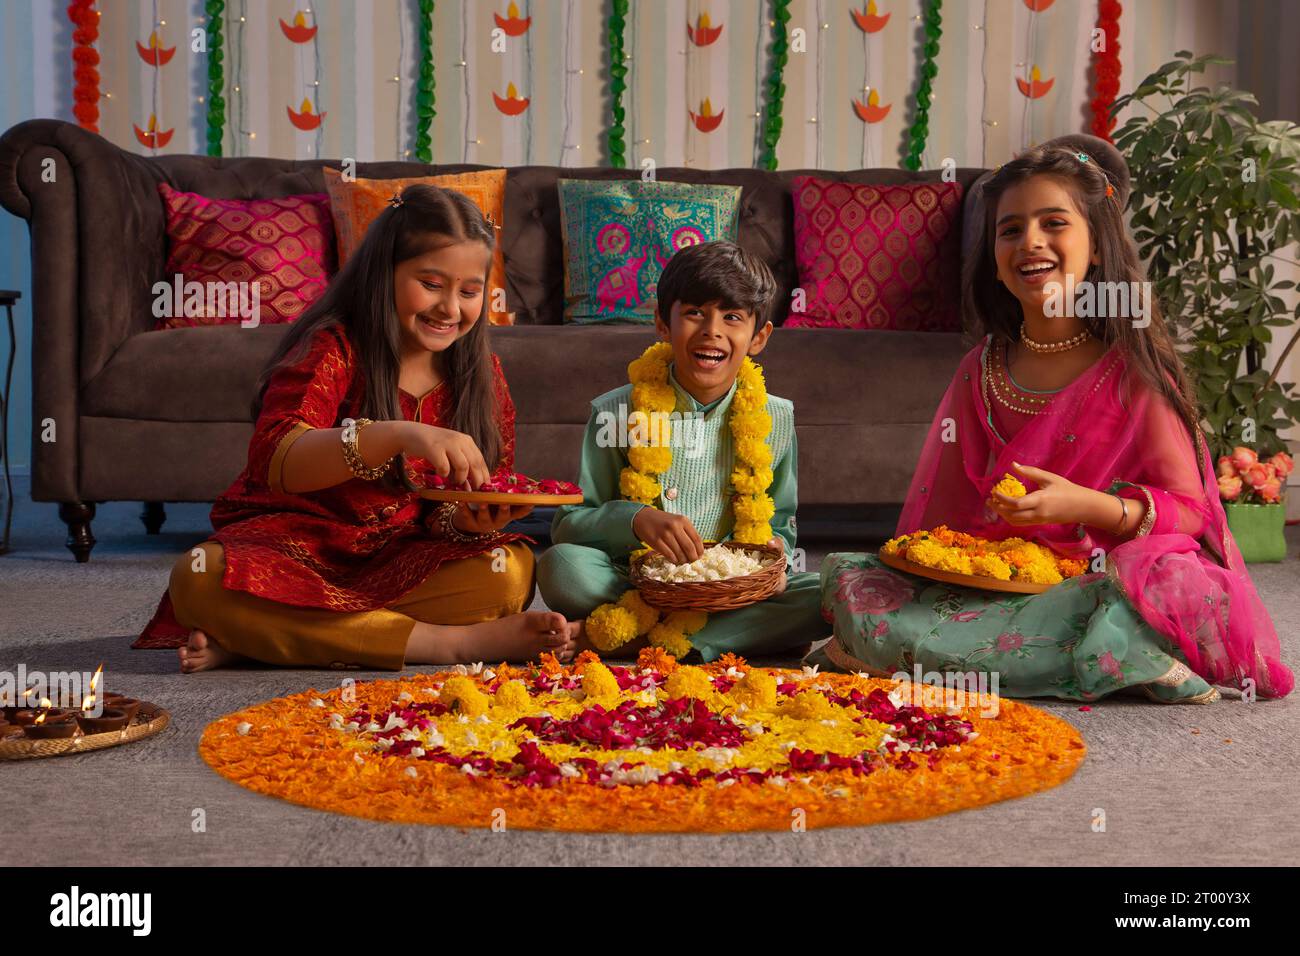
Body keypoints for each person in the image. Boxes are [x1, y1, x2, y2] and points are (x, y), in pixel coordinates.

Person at [812, 141, 1293, 702]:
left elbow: (1190, 512)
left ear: (1097, 247)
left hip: (1100, 578)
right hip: (1003, 584)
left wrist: (1086, 507)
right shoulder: (982, 368)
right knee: (851, 576)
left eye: (1054, 223)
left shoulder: (1132, 372)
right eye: (1010, 229)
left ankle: (1061, 651)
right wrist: (929, 566)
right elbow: (941, 520)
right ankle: (1103, 659)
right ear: (994, 258)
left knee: (1174, 583)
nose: (1031, 241)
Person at [138, 184, 579, 672]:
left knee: (510, 574)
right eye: (431, 284)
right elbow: (277, 458)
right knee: (198, 578)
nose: (450, 309)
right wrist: (397, 434)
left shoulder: (481, 375)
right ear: (383, 273)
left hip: (400, 555)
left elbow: (460, 502)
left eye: (469, 292)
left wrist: (467, 521)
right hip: (298, 548)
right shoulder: (333, 347)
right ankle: (449, 645)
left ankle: (264, 637)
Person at [536, 240, 828, 661]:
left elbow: (780, 523)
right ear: (662, 323)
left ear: (759, 337)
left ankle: (637, 639)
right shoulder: (617, 411)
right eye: (694, 313)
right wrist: (636, 520)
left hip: (730, 589)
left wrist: (773, 555)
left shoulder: (775, 417)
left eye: (732, 317)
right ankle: (746, 635)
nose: (712, 330)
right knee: (562, 567)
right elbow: (569, 526)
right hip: (637, 580)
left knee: (826, 592)